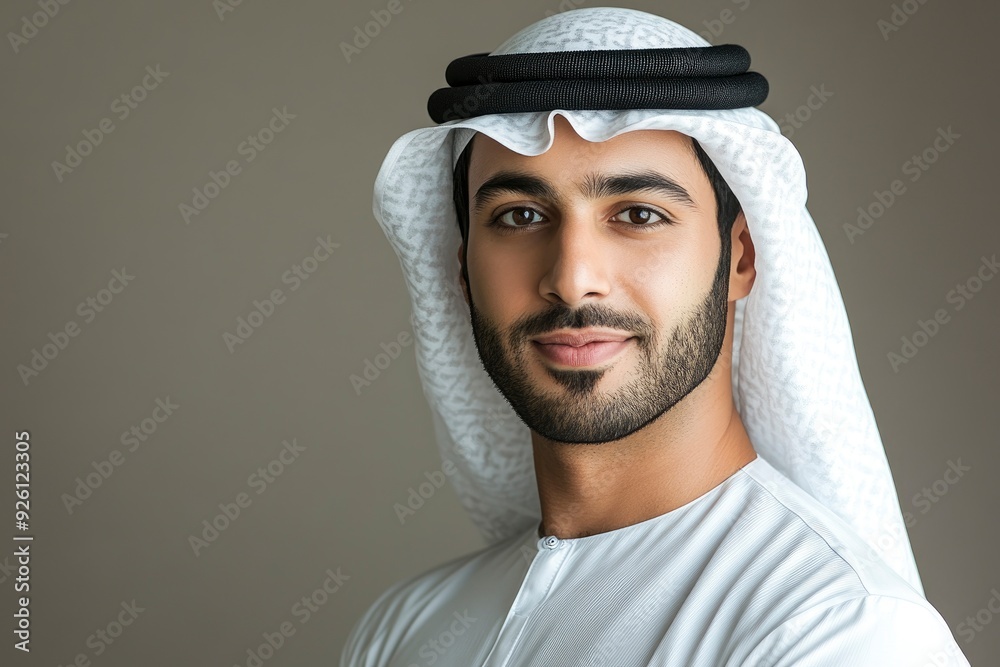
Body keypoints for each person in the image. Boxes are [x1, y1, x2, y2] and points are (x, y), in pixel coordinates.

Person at [342, 7, 970, 665]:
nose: (572, 277)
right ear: (462, 269)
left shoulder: (838, 630)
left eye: (639, 214)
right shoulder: (404, 628)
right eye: (520, 215)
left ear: (741, 259)